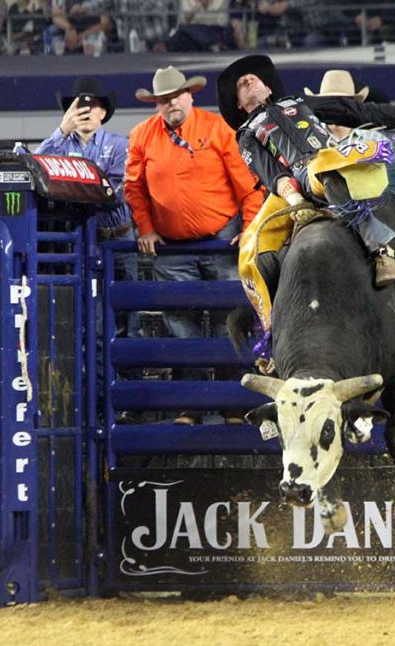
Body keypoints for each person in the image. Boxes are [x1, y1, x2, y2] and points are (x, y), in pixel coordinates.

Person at [125, 66, 264, 424]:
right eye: (164, 99)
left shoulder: (217, 128)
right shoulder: (142, 136)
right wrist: (146, 228)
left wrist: (250, 227)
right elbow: (134, 188)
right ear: (156, 104)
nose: (171, 103)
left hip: (222, 238)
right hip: (173, 247)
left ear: (190, 96)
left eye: (176, 96)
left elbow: (248, 185)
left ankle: (233, 403)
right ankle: (191, 404)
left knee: (228, 321)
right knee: (180, 325)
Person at [217, 55, 395, 287]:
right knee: (256, 252)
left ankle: (381, 249)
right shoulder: (247, 134)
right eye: (241, 84)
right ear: (238, 103)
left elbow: (354, 111)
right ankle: (276, 304)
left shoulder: (299, 104)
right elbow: (269, 172)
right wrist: (294, 198)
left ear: (268, 88)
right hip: (295, 181)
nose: (248, 81)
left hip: (333, 160)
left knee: (344, 167)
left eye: (252, 78)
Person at [35, 76, 139, 337]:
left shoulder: (119, 145)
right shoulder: (61, 143)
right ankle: (97, 358)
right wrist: (61, 130)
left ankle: (124, 359)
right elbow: (35, 169)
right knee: (89, 307)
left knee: (126, 305)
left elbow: (117, 192)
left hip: (118, 236)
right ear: (69, 113)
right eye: (79, 107)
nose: (85, 112)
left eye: (92, 107)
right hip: (83, 238)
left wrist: (71, 188)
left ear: (103, 112)